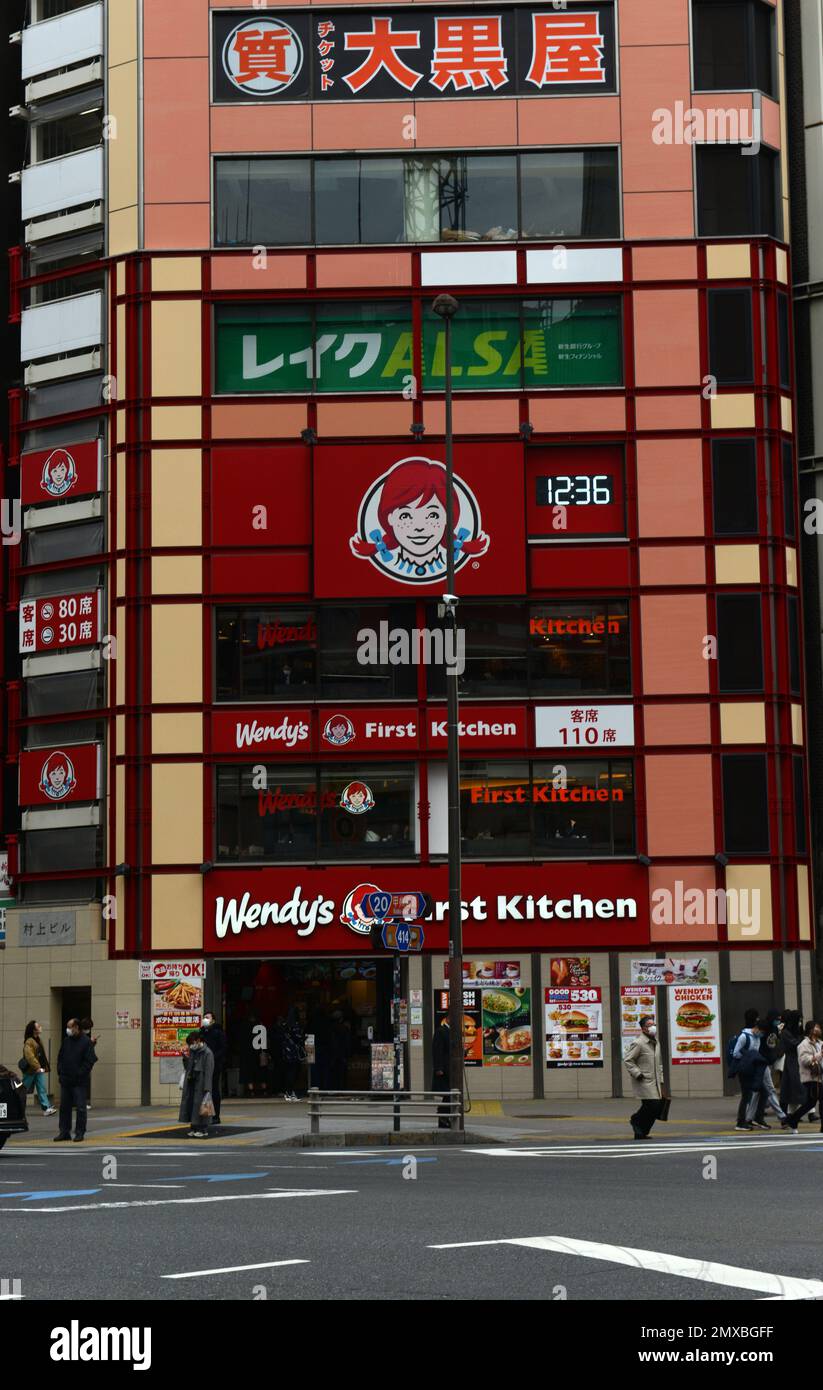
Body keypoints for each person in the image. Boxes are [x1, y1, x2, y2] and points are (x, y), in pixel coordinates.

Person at [624, 1014, 666, 1139]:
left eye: (653, 1024)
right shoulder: (639, 1043)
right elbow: (628, 1060)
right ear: (643, 1029)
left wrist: (662, 1080)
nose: (653, 1027)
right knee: (653, 1105)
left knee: (655, 1107)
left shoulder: (656, 1042)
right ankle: (636, 1120)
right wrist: (637, 1074)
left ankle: (641, 1132)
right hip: (644, 1080)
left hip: (656, 1081)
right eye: (649, 1025)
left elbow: (659, 1064)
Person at [745, 1010, 789, 1128]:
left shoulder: (774, 1030)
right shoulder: (763, 1029)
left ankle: (749, 1117)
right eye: (777, 1019)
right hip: (761, 1063)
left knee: (758, 1092)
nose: (778, 1021)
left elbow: (772, 1045)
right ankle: (782, 1117)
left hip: (766, 1062)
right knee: (770, 1089)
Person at [54, 1018, 95, 1142]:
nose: (68, 1030)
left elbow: (89, 1061)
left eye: (70, 1027)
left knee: (80, 1107)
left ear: (76, 1027)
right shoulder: (66, 1041)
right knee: (64, 1107)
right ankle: (64, 1131)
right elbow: (60, 1057)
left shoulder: (86, 1042)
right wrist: (60, 1072)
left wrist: (80, 1073)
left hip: (79, 1081)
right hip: (66, 1079)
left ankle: (79, 1132)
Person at [783, 1020, 822, 1132]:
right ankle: (792, 1119)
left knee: (810, 1103)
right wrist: (819, 1055)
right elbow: (805, 1060)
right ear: (811, 1030)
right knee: (814, 1102)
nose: (819, 1029)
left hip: (819, 1077)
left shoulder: (820, 1043)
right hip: (810, 1078)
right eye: (816, 1027)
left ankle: (792, 1120)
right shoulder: (803, 1045)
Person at [178, 1030, 214, 1138]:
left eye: (192, 1043)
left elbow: (209, 1071)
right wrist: (184, 1058)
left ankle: (203, 1129)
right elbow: (188, 1066)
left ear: (198, 1040)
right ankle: (193, 1127)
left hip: (202, 1084)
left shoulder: (207, 1053)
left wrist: (207, 1088)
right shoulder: (194, 1051)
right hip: (192, 1082)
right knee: (192, 1105)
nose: (191, 1046)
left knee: (202, 1107)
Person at [732, 1009, 763, 1131]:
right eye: (757, 1018)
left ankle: (746, 1119)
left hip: (752, 1069)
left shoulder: (756, 1036)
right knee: (746, 1095)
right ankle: (740, 1122)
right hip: (744, 1069)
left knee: (750, 1095)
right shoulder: (744, 1036)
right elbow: (736, 1053)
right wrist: (748, 1058)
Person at [21, 1020, 56, 1116]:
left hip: (38, 1069)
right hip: (31, 1070)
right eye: (38, 1026)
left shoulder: (38, 1039)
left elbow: (40, 1055)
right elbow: (29, 1056)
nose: (40, 1027)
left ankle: (46, 1108)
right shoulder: (29, 1041)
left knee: (42, 1088)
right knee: (22, 1089)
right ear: (33, 1030)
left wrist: (41, 1067)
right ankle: (15, 1105)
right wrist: (37, 1067)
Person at [200, 1010, 226, 1124]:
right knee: (203, 1090)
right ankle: (205, 1114)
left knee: (214, 1089)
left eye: (208, 1017)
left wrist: (213, 1058)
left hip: (215, 1065)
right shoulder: (201, 1032)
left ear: (213, 1020)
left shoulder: (218, 1032)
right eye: (204, 1017)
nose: (205, 1019)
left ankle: (216, 1116)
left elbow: (223, 1048)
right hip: (202, 1066)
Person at [779, 1010, 805, 1118]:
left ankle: (791, 1115)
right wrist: (804, 1040)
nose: (800, 1023)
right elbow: (795, 1045)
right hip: (792, 1062)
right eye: (799, 1020)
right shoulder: (786, 1032)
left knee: (795, 1090)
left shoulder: (797, 1032)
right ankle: (786, 1115)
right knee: (792, 1089)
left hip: (798, 1062)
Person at [431, 1017, 452, 1129]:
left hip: (450, 1069)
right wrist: (438, 1068)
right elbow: (437, 1051)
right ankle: (443, 1118)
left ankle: (444, 1118)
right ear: (448, 1019)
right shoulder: (441, 1031)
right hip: (444, 1069)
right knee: (448, 1094)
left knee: (450, 1094)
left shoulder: (452, 1032)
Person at [80, 1018, 97, 1109]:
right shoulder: (83, 1038)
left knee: (83, 1084)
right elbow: (85, 1051)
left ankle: (81, 1102)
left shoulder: (83, 1037)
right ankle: (82, 1102)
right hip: (83, 1065)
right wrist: (91, 1043)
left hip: (83, 1065)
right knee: (83, 1084)